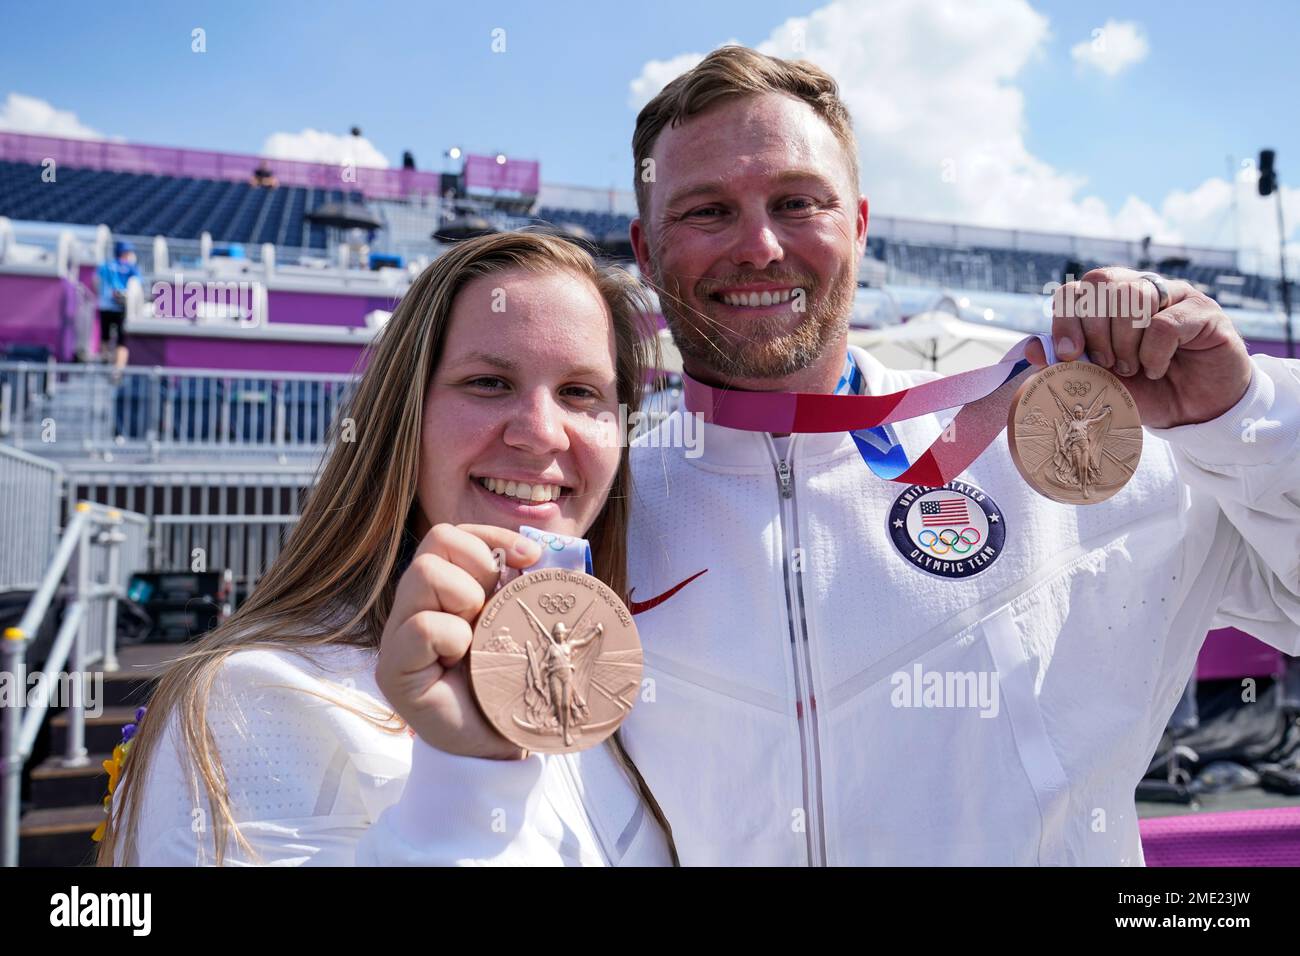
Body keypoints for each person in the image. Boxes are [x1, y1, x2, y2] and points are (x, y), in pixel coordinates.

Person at [390, 46, 1300, 866]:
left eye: (798, 202)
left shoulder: (1090, 452)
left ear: (858, 222)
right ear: (647, 248)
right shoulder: (591, 512)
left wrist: (1243, 414)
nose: (759, 246)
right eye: (708, 210)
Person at [96, 232, 674, 866]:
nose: (540, 434)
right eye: (487, 382)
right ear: (406, 418)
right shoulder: (254, 698)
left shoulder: (624, 694)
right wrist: (468, 770)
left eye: (580, 393)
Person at [96, 239, 139, 373]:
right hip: (121, 308)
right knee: (121, 340)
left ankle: (105, 362)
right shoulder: (131, 267)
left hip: (105, 306)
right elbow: (136, 284)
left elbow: (96, 282)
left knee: (105, 336)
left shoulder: (105, 265)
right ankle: (118, 369)